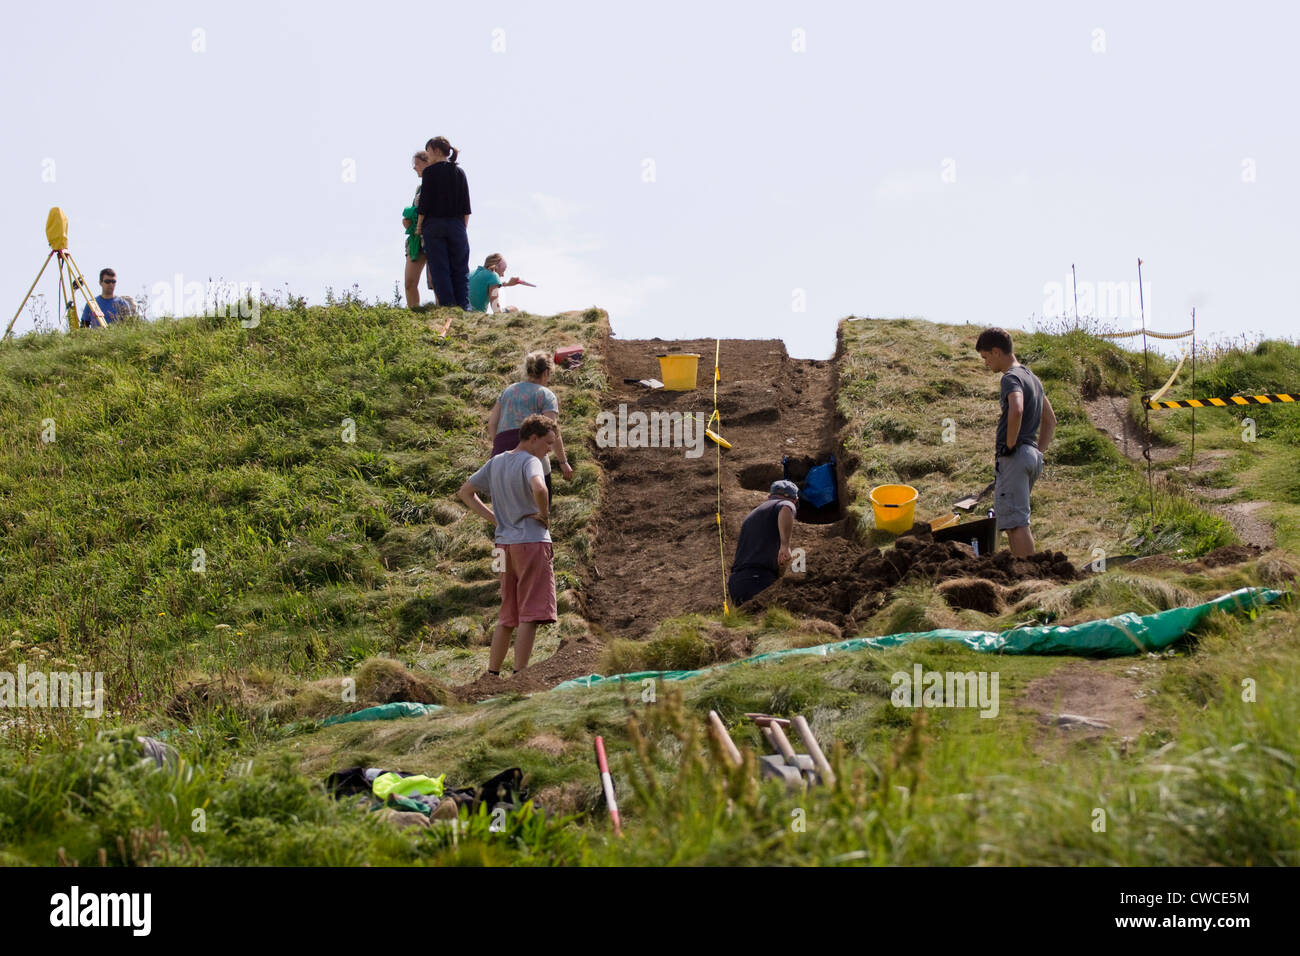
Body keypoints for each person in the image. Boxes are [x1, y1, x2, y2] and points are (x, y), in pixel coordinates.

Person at [457, 414, 559, 677]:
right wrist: (544, 516)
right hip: (531, 541)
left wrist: (494, 519)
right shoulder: (531, 462)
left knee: (507, 613)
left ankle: (491, 674)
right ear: (533, 438)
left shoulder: (497, 461)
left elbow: (465, 492)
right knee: (530, 612)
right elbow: (540, 489)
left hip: (503, 546)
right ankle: (520, 675)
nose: (550, 449)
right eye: (548, 443)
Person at [976, 327, 1057, 557]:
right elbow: (1050, 421)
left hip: (1016, 456)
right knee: (1013, 518)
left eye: (985, 357)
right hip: (1030, 456)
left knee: (1015, 523)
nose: (985, 364)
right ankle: (1024, 572)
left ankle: (1029, 576)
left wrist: (1010, 446)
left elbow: (1017, 409)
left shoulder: (1010, 377)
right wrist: (1037, 453)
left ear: (996, 351)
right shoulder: (1033, 378)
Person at [487, 351, 574, 503]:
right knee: (540, 507)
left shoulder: (508, 390)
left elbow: (492, 423)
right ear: (546, 372)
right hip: (532, 453)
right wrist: (563, 462)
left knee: (507, 507)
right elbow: (551, 431)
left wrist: (500, 444)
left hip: (500, 455)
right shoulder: (545, 395)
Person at [416, 136, 472, 311]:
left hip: (434, 225)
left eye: (429, 151)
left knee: (440, 268)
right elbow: (466, 205)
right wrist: (463, 228)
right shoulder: (459, 172)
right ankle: (464, 305)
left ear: (436, 150)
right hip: (457, 225)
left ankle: (448, 306)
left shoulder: (430, 173)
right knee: (460, 268)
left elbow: (424, 204)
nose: (428, 154)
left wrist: (419, 226)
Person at [729, 480, 799, 606]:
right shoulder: (786, 504)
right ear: (795, 499)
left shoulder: (754, 514)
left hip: (737, 582)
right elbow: (786, 508)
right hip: (758, 579)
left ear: (769, 496)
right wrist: (785, 545)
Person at [402, 151, 429, 309]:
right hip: (416, 239)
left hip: (432, 236)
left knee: (436, 281)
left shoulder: (435, 185)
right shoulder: (419, 188)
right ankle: (414, 313)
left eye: (417, 163)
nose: (414, 167)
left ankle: (442, 314)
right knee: (409, 282)